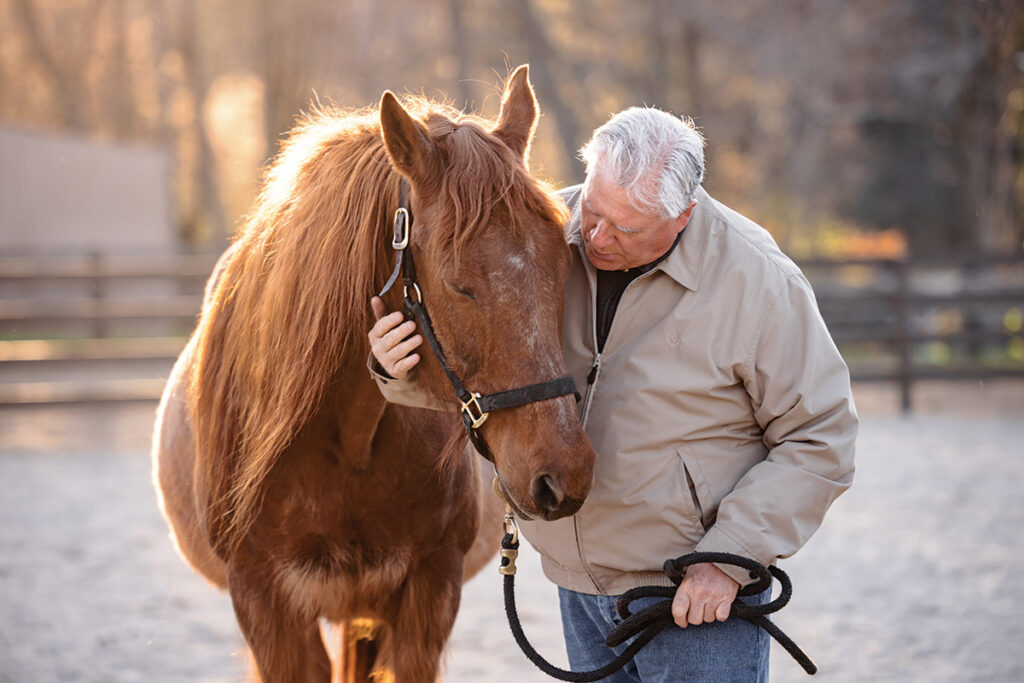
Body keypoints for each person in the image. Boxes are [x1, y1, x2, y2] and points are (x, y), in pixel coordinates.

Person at [368, 107, 857, 682]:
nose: (595, 237)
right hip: (578, 585)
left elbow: (821, 437)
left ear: (683, 217)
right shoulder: (544, 231)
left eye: (625, 229)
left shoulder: (759, 283)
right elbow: (498, 379)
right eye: (595, 210)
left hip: (694, 595)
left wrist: (729, 560)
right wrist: (396, 368)